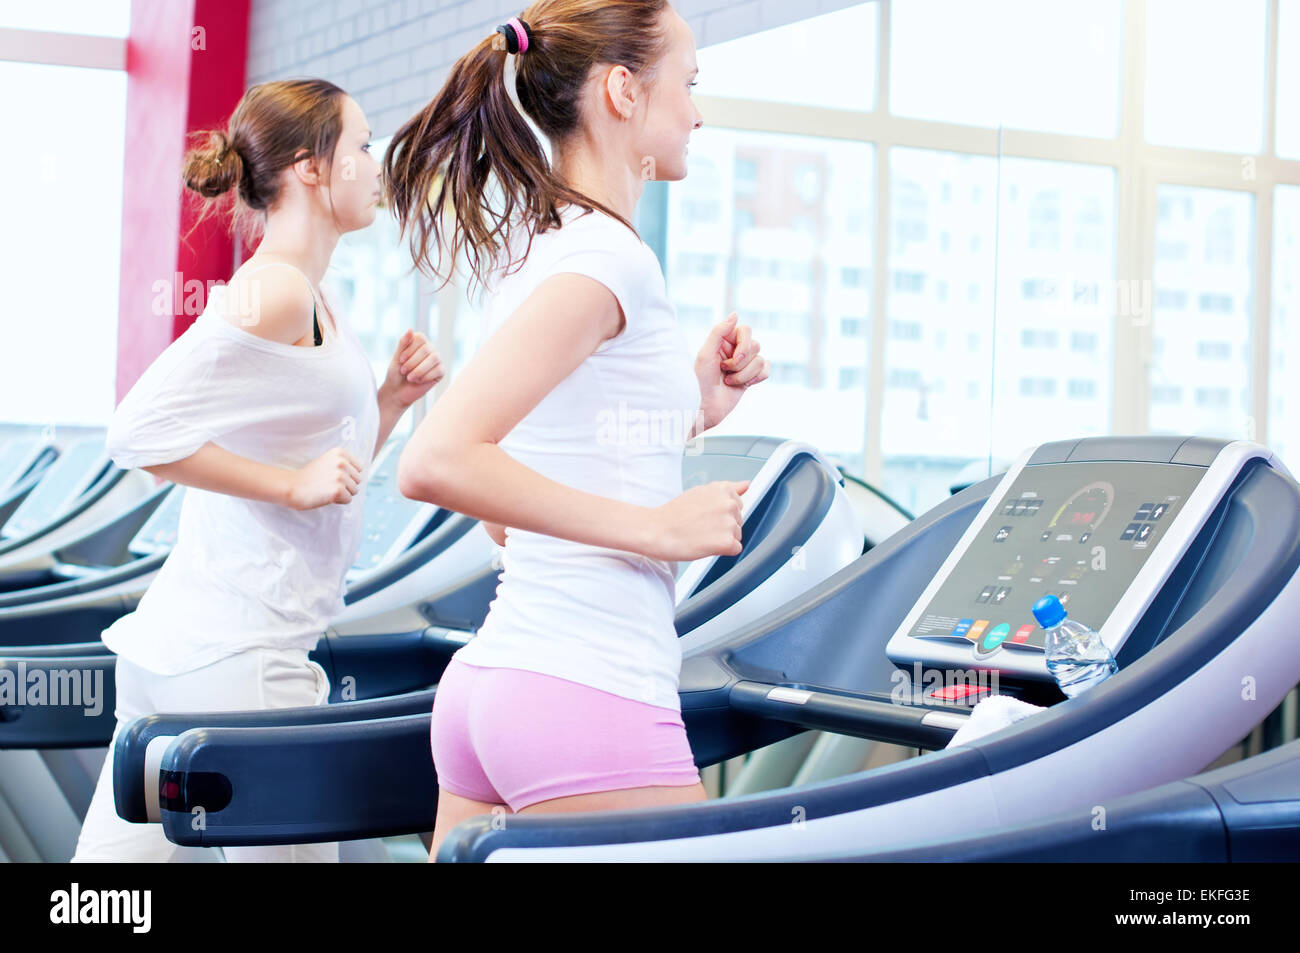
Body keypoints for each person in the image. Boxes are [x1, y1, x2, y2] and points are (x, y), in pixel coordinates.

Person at [383, 1, 770, 860]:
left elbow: (510, 490)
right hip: (586, 694)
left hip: (496, 692)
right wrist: (655, 529)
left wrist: (693, 406)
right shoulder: (611, 259)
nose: (698, 112)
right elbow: (436, 459)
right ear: (624, 91)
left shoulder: (542, 248)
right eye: (690, 83)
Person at [72, 79, 445, 862]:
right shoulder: (274, 288)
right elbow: (136, 430)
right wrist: (289, 483)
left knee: (101, 899)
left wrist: (388, 401)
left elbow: (320, 475)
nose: (376, 165)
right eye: (364, 145)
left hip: (179, 653)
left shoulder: (311, 296)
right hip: (243, 665)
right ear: (312, 168)